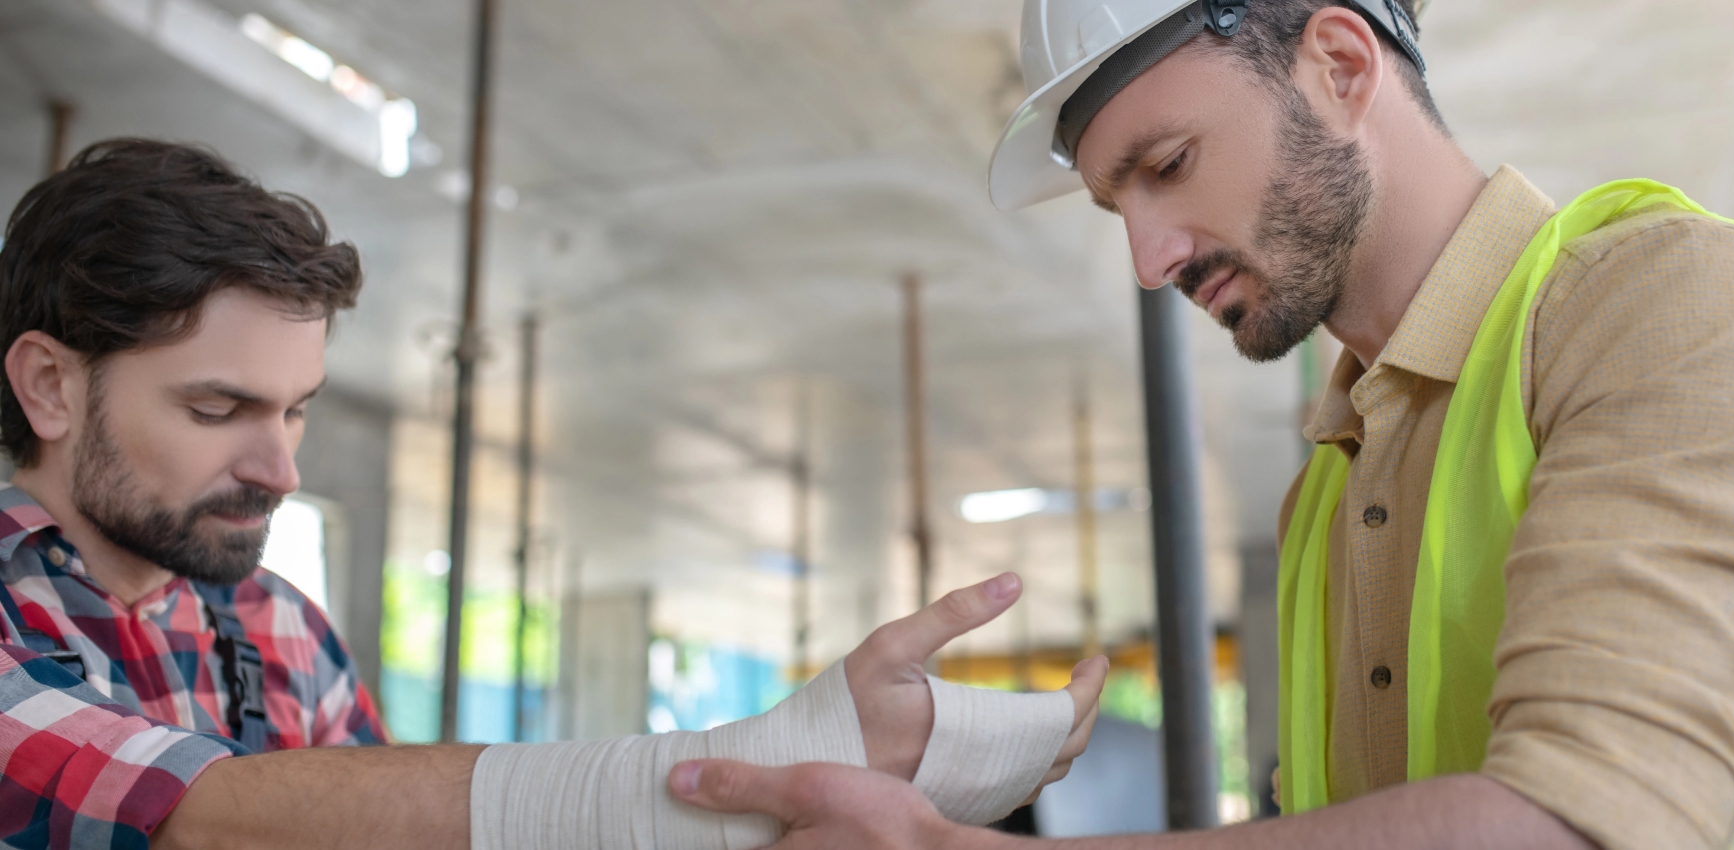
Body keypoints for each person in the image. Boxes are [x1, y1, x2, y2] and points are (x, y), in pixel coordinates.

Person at [667, 1, 1734, 849]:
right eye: (1116, 208)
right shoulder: (1328, 485)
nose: (1148, 260)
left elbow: (1581, 820)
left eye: (1165, 165)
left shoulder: (1678, 303)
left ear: (1340, 63)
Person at [0, 138, 1105, 850]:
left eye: (296, 410)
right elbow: (204, 814)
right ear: (51, 385)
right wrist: (769, 760)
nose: (281, 469)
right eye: (217, 409)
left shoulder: (281, 631)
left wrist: (803, 795)